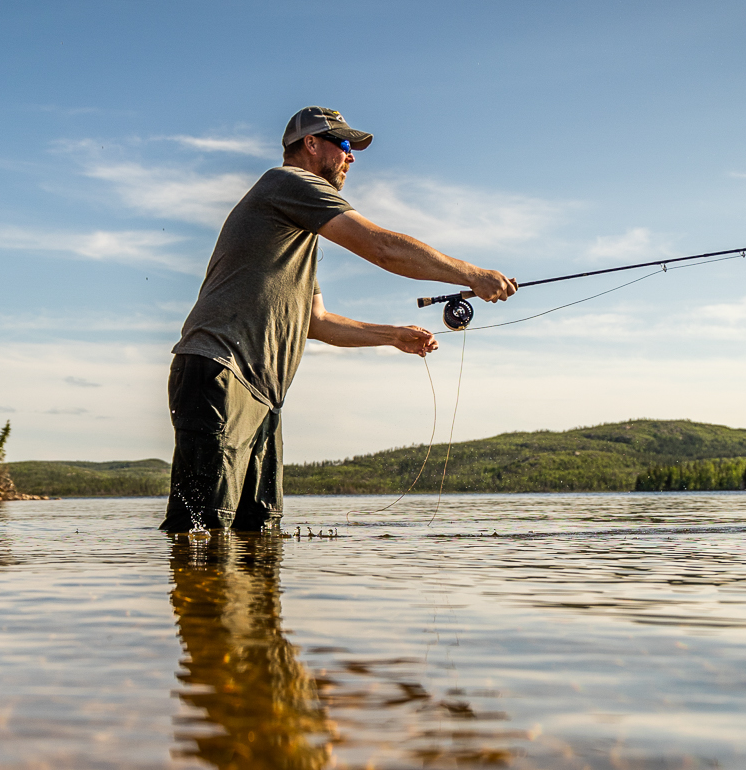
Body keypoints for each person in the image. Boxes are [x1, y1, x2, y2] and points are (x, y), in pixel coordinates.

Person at [160, 106, 516, 533]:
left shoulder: (295, 230)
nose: (352, 157)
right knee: (202, 535)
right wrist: (470, 274)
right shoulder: (289, 182)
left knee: (259, 536)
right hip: (221, 375)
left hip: (261, 393)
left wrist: (393, 336)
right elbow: (380, 247)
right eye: (344, 145)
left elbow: (318, 321)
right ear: (311, 145)